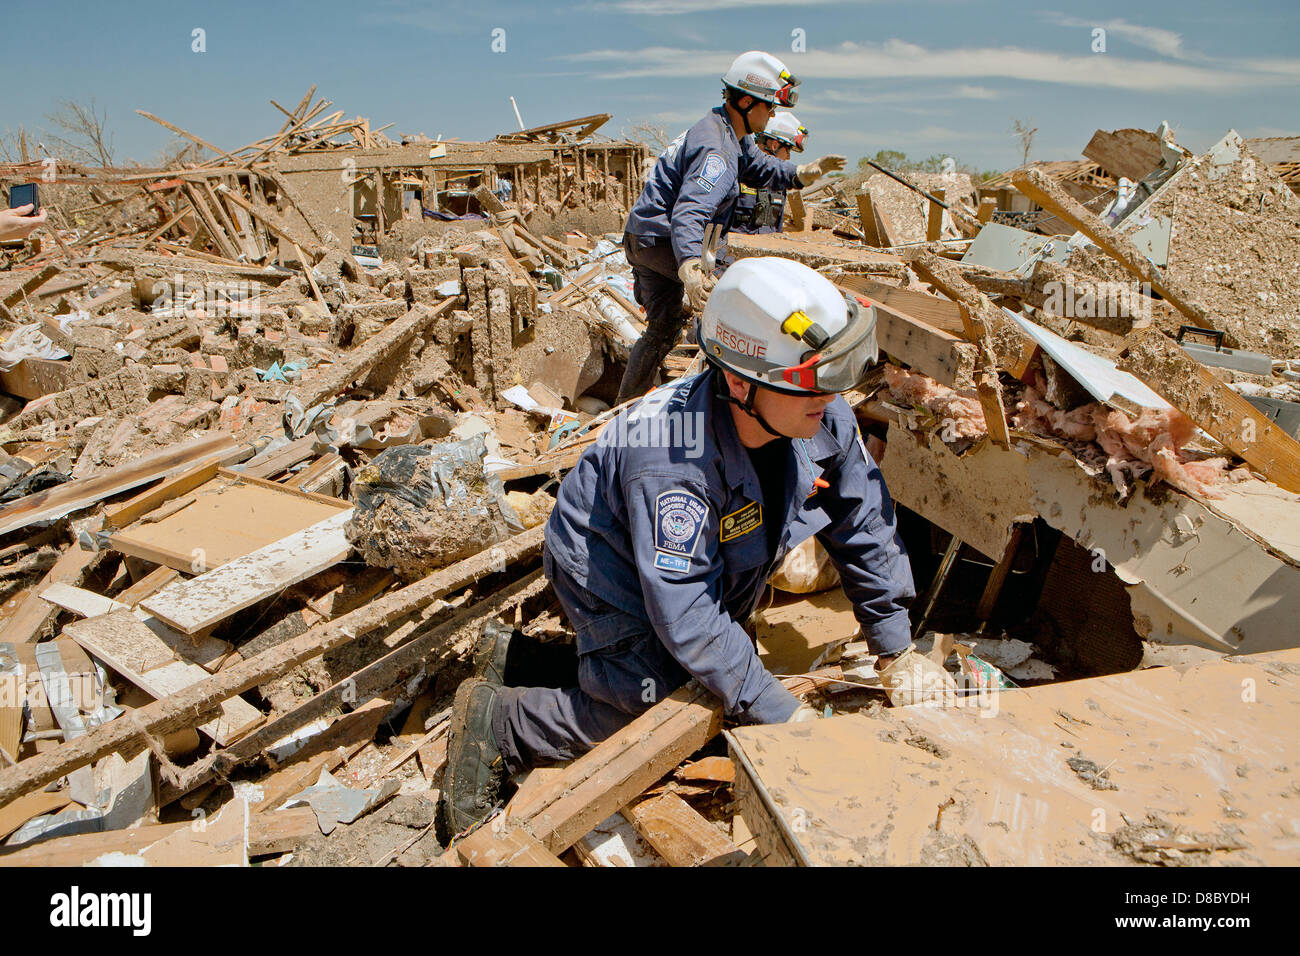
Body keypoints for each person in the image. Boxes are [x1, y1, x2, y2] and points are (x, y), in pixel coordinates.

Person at [439, 257, 955, 837]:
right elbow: (684, 609)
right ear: (740, 381)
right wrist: (783, 714)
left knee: (712, 673)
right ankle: (503, 723)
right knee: (656, 706)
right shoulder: (672, 457)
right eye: (815, 382)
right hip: (607, 564)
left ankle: (519, 660)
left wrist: (895, 649)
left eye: (838, 378)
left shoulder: (813, 408)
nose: (833, 398)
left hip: (693, 570)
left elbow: (863, 518)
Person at [616, 51, 846, 406]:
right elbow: (689, 211)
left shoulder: (728, 133)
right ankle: (724, 407)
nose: (772, 115)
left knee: (663, 329)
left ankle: (626, 407)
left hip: (645, 237)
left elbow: (760, 167)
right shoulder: (717, 149)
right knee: (728, 309)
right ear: (744, 100)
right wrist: (692, 268)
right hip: (664, 240)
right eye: (768, 107)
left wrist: (803, 173)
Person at [730, 112, 807, 237]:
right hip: (731, 251)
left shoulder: (779, 181)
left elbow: (777, 226)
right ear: (774, 145)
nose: (788, 156)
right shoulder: (738, 169)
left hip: (765, 252)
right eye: (787, 150)